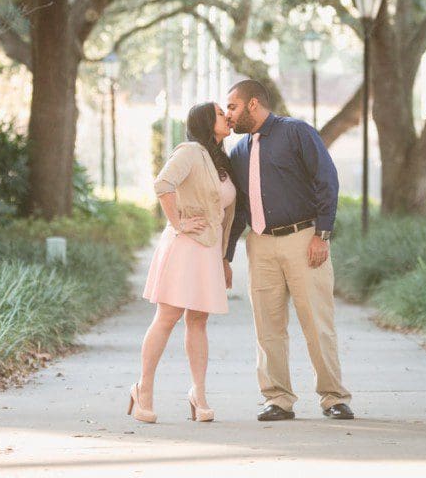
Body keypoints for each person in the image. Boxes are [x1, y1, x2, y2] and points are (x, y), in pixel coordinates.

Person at [224, 79, 354, 421]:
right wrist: (226, 256)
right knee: (267, 326)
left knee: (317, 323)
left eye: (233, 107)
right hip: (260, 244)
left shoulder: (296, 132)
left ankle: (333, 397)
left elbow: (326, 179)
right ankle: (277, 399)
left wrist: (322, 234)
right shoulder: (239, 151)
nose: (229, 114)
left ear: (253, 104)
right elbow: (239, 209)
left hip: (303, 238)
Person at [129, 102, 236, 424]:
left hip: (209, 250)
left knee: (199, 320)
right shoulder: (190, 151)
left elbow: (224, 215)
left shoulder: (221, 161)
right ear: (206, 121)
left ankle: (198, 394)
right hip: (185, 246)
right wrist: (178, 223)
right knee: (168, 317)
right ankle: (143, 390)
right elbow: (163, 184)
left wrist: (224, 258)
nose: (228, 117)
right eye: (221, 113)